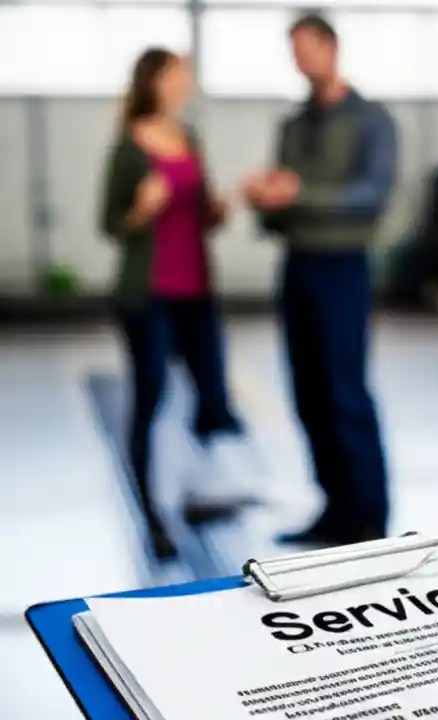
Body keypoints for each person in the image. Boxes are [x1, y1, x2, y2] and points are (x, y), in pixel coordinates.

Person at [244, 13, 397, 546]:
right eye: (293, 51)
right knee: (308, 391)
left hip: (343, 266)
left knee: (344, 389)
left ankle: (370, 517)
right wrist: (265, 200)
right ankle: (334, 508)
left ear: (332, 48)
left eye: (307, 48)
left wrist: (298, 195)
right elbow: (281, 205)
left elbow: (371, 194)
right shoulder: (292, 126)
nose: (300, 60)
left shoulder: (370, 120)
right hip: (299, 264)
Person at [100, 48, 258, 560]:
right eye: (177, 75)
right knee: (152, 398)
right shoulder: (128, 147)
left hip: (196, 290)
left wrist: (220, 209)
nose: (185, 83)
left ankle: (195, 495)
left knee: (207, 395)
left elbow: (200, 214)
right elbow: (110, 223)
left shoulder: (189, 138)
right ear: (154, 81)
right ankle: (153, 515)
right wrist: (141, 210)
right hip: (148, 293)